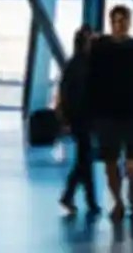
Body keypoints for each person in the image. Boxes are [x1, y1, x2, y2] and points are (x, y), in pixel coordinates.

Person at [88, 5, 133, 219]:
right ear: (111, 23)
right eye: (116, 21)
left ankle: (131, 198)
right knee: (111, 160)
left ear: (129, 22)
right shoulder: (101, 46)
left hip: (130, 108)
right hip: (107, 110)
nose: (119, 25)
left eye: (123, 21)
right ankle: (119, 201)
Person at [58, 26, 100, 216]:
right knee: (85, 159)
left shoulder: (75, 64)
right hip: (82, 117)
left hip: (80, 117)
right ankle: (77, 197)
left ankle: (84, 199)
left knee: (85, 159)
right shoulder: (84, 65)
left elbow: (65, 92)